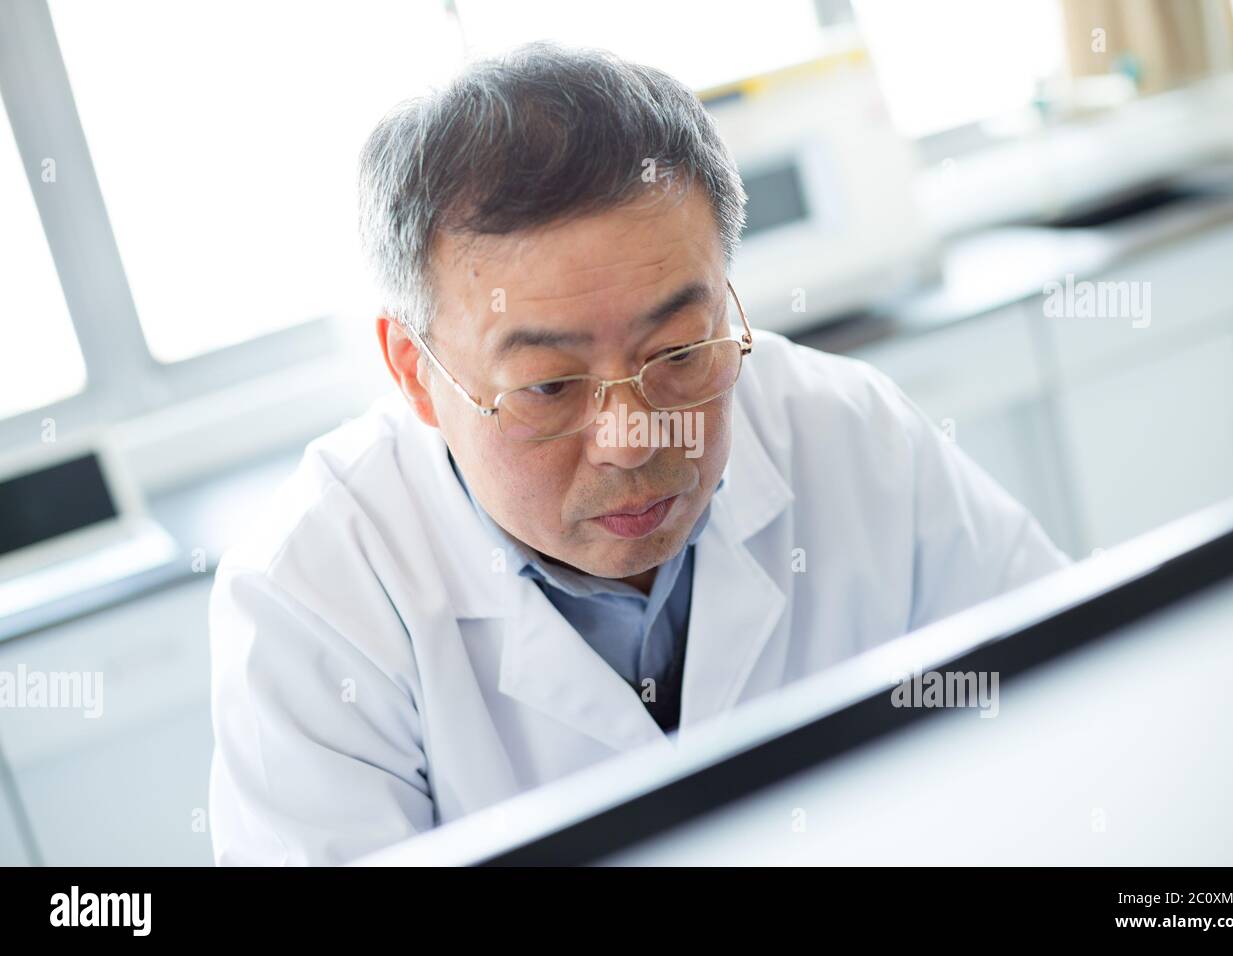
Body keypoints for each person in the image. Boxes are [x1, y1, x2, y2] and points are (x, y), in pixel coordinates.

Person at [207, 42, 1069, 865]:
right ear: (414, 373)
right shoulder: (311, 599)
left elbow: (1069, 708)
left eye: (680, 353)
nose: (632, 439)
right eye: (548, 386)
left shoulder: (847, 431)